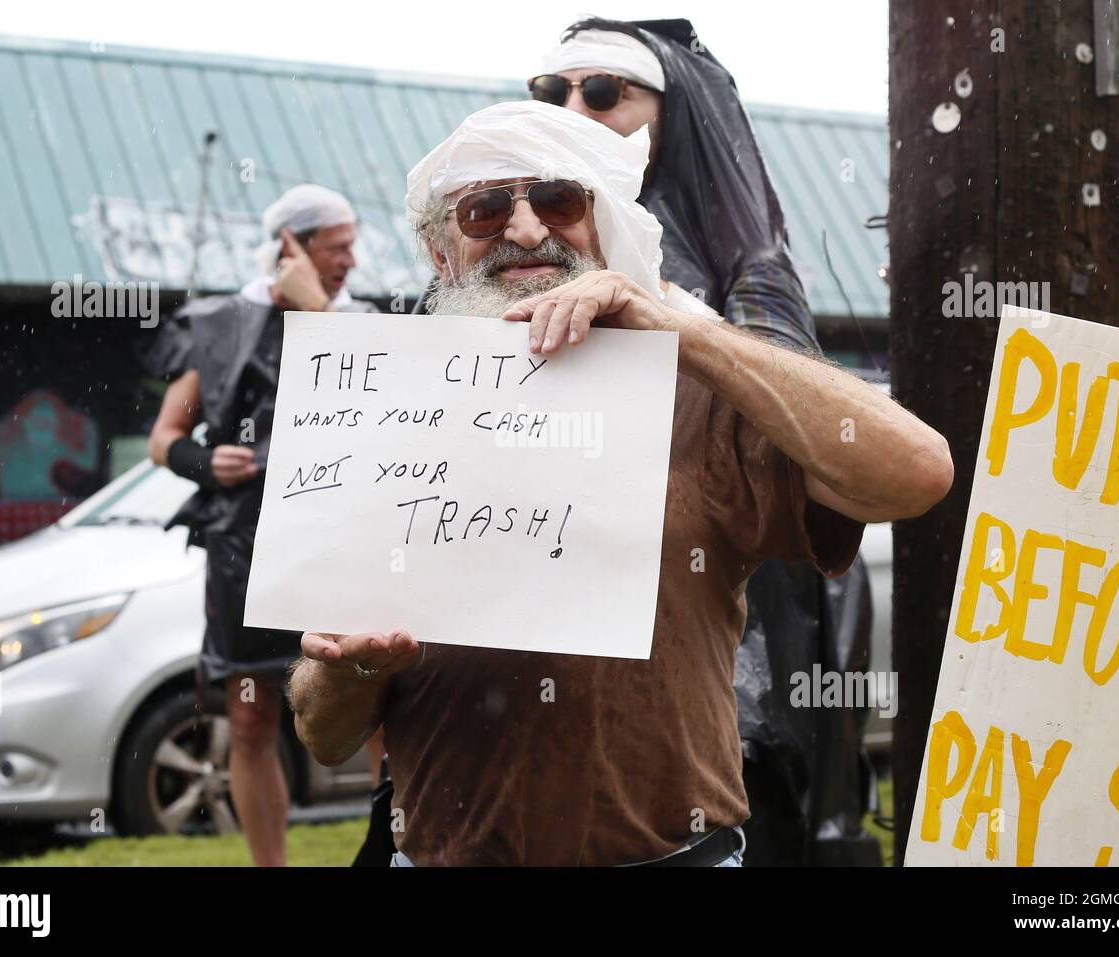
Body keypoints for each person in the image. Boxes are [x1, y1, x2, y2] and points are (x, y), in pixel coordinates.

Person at [289, 101, 954, 866]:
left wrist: (675, 323)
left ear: (604, 222)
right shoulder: (379, 417)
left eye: (559, 200)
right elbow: (323, 732)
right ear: (443, 255)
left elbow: (919, 472)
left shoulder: (697, 391)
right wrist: (347, 674)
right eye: (484, 209)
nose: (528, 230)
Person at [529, 17, 879, 863]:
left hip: (712, 617)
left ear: (669, 112)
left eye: (605, 91)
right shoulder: (518, 233)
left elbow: (798, 429)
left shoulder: (742, 261)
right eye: (552, 90)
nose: (575, 106)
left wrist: (672, 316)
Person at [144, 184, 377, 866]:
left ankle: (388, 846)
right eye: (339, 248)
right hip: (244, 550)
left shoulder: (359, 321)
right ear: (290, 247)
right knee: (250, 715)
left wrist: (316, 307)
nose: (352, 263)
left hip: (343, 540)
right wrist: (199, 458)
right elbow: (163, 435)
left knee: (373, 702)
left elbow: (383, 402)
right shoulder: (218, 326)